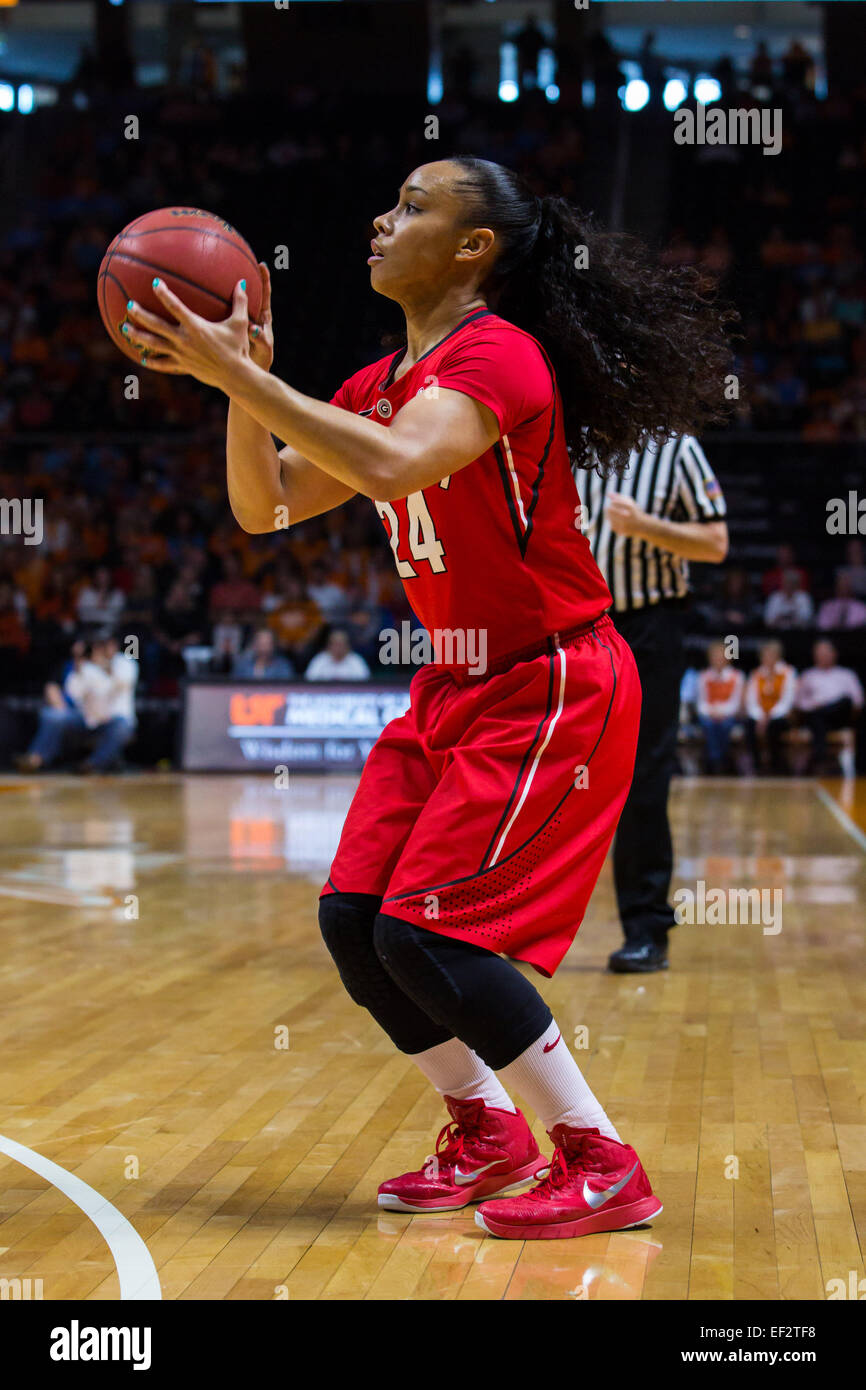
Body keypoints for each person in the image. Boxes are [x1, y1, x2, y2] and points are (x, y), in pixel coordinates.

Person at [124, 155, 732, 1239]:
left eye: (411, 206)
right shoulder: (375, 381)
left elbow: (401, 465)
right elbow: (263, 506)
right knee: (357, 920)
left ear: (471, 249)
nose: (378, 216)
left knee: (435, 937)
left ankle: (601, 1159)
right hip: (452, 682)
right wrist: (235, 385)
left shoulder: (500, 356)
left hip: (549, 677)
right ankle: (483, 1128)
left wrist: (253, 380)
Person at [575, 434, 728, 973]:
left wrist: (645, 527)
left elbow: (715, 542)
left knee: (642, 777)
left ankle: (646, 930)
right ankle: (519, 928)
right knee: (548, 776)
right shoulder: (573, 444)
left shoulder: (679, 449)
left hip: (650, 627)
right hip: (575, 624)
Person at [796, 639, 863, 775]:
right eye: (820, 653)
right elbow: (799, 702)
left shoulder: (847, 674)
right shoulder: (808, 675)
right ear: (814, 656)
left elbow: (858, 701)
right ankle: (822, 760)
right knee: (816, 716)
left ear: (834, 654)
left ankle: (819, 758)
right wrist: (814, 705)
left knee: (844, 701)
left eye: (827, 653)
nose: (823, 656)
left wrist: (830, 705)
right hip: (816, 717)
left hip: (840, 716)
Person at [744, 640, 797, 774]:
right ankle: (756, 764)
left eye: (772, 655)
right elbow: (751, 701)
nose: (768, 659)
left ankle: (776, 764)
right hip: (759, 716)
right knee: (749, 724)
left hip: (780, 715)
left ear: (778, 656)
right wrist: (761, 717)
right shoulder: (756, 674)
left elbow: (787, 701)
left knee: (775, 726)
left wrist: (769, 716)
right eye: (765, 655)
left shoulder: (788, 672)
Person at [696, 640, 744, 773]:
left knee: (725, 725)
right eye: (714, 656)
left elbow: (736, 703)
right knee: (709, 725)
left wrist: (722, 712)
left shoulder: (736, 677)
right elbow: (701, 703)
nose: (718, 659)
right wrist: (711, 712)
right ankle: (716, 762)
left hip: (728, 715)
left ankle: (721, 761)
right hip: (709, 714)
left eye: (720, 656)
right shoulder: (704, 676)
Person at [304, 627, 370, 682]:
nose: (338, 648)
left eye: (341, 644)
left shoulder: (356, 660)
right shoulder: (320, 659)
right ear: (329, 645)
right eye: (335, 644)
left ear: (347, 646)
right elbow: (309, 681)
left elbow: (365, 682)